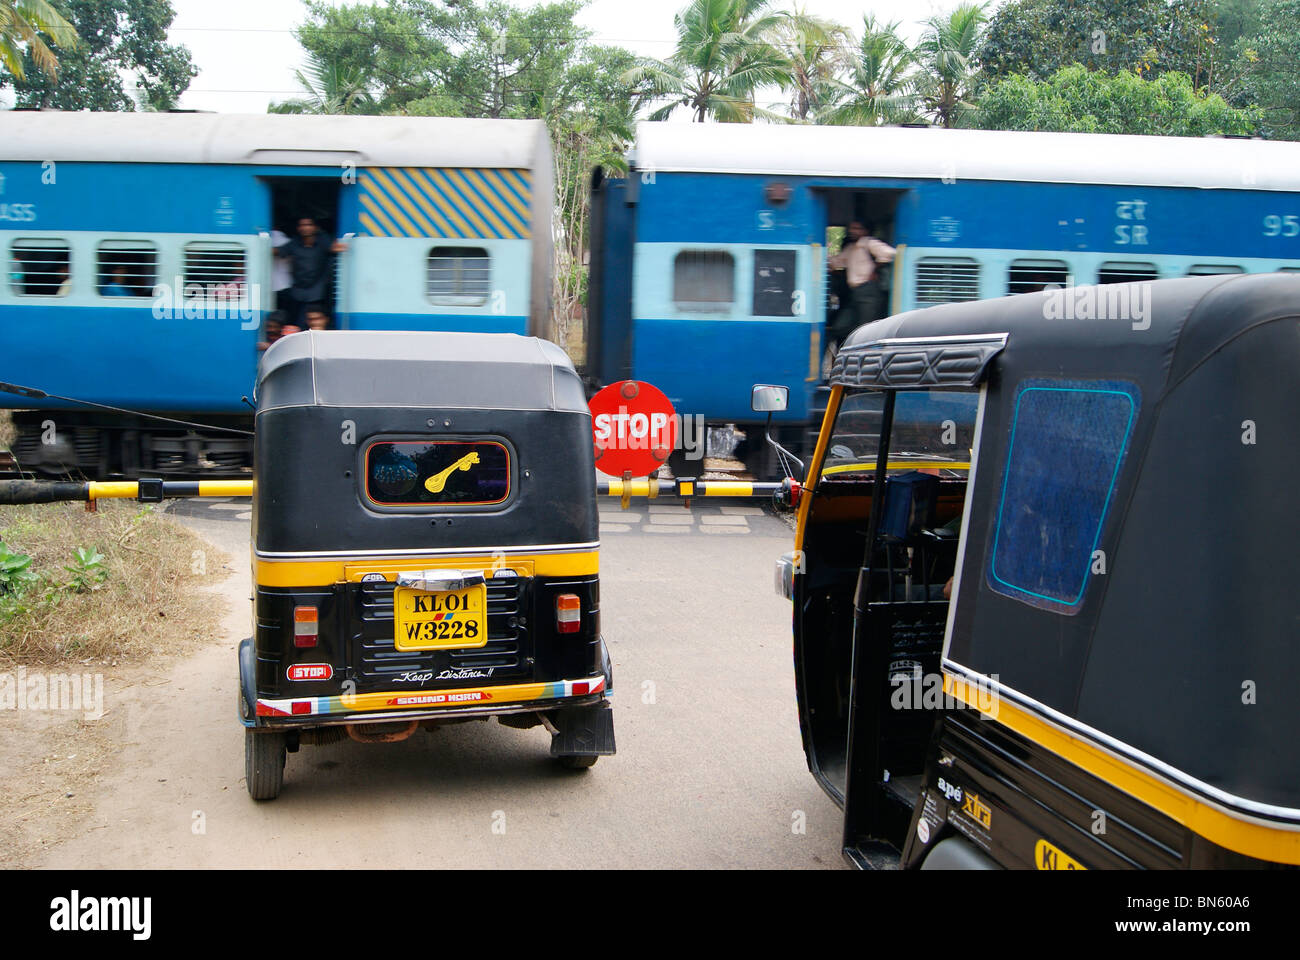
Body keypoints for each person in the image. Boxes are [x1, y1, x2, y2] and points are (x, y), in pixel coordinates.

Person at [828, 220, 896, 346]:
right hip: (855, 293)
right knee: (840, 327)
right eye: (852, 228)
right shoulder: (851, 248)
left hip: (868, 291)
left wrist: (875, 269)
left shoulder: (869, 243)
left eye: (857, 228)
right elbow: (836, 262)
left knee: (866, 329)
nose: (853, 231)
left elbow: (890, 254)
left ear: (866, 231)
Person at [276, 217, 347, 326]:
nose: (305, 228)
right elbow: (279, 251)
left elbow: (334, 248)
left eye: (308, 225)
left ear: (315, 228)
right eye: (302, 225)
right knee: (296, 322)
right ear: (298, 228)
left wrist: (344, 244)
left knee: (315, 321)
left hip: (317, 292)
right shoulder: (294, 243)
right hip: (298, 291)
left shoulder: (323, 241)